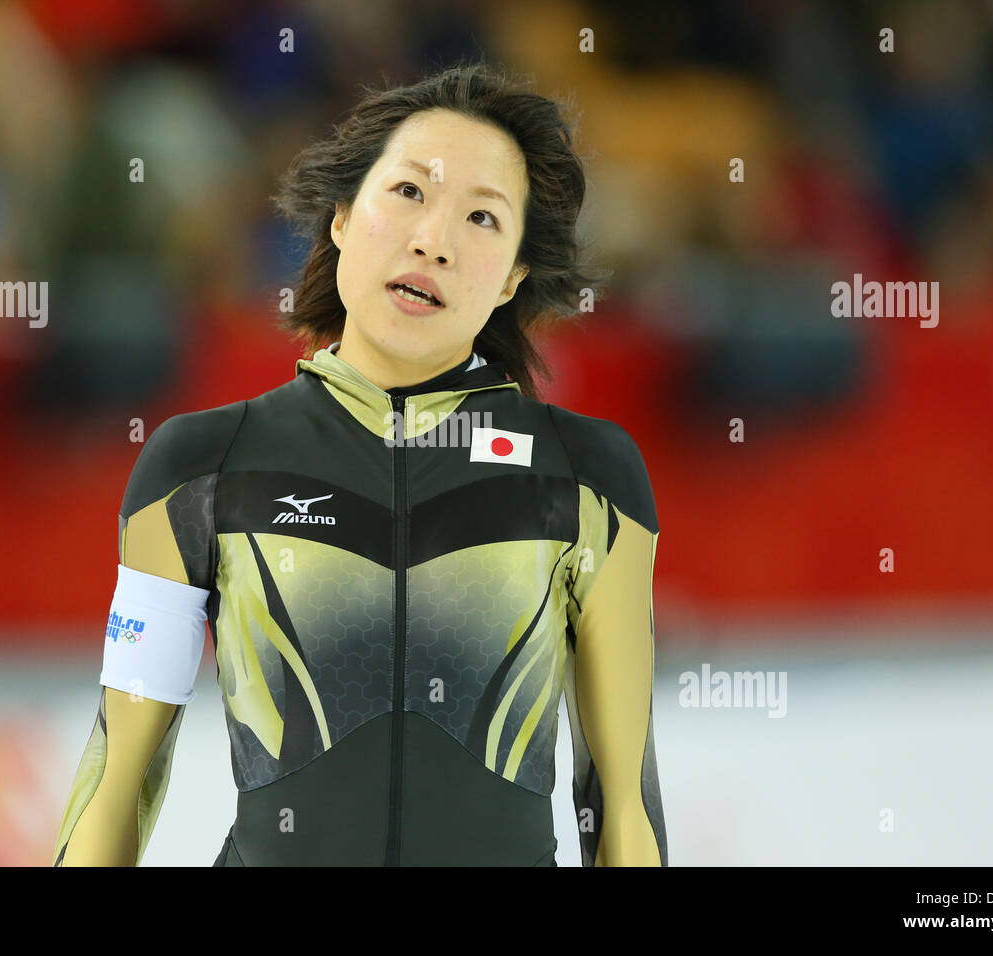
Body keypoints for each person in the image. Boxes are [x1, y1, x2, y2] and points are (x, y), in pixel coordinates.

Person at [51, 61, 667, 867]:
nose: (432, 241)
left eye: (482, 218)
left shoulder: (586, 475)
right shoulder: (199, 468)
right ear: (341, 217)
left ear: (516, 275)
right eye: (408, 192)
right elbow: (117, 775)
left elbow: (621, 799)